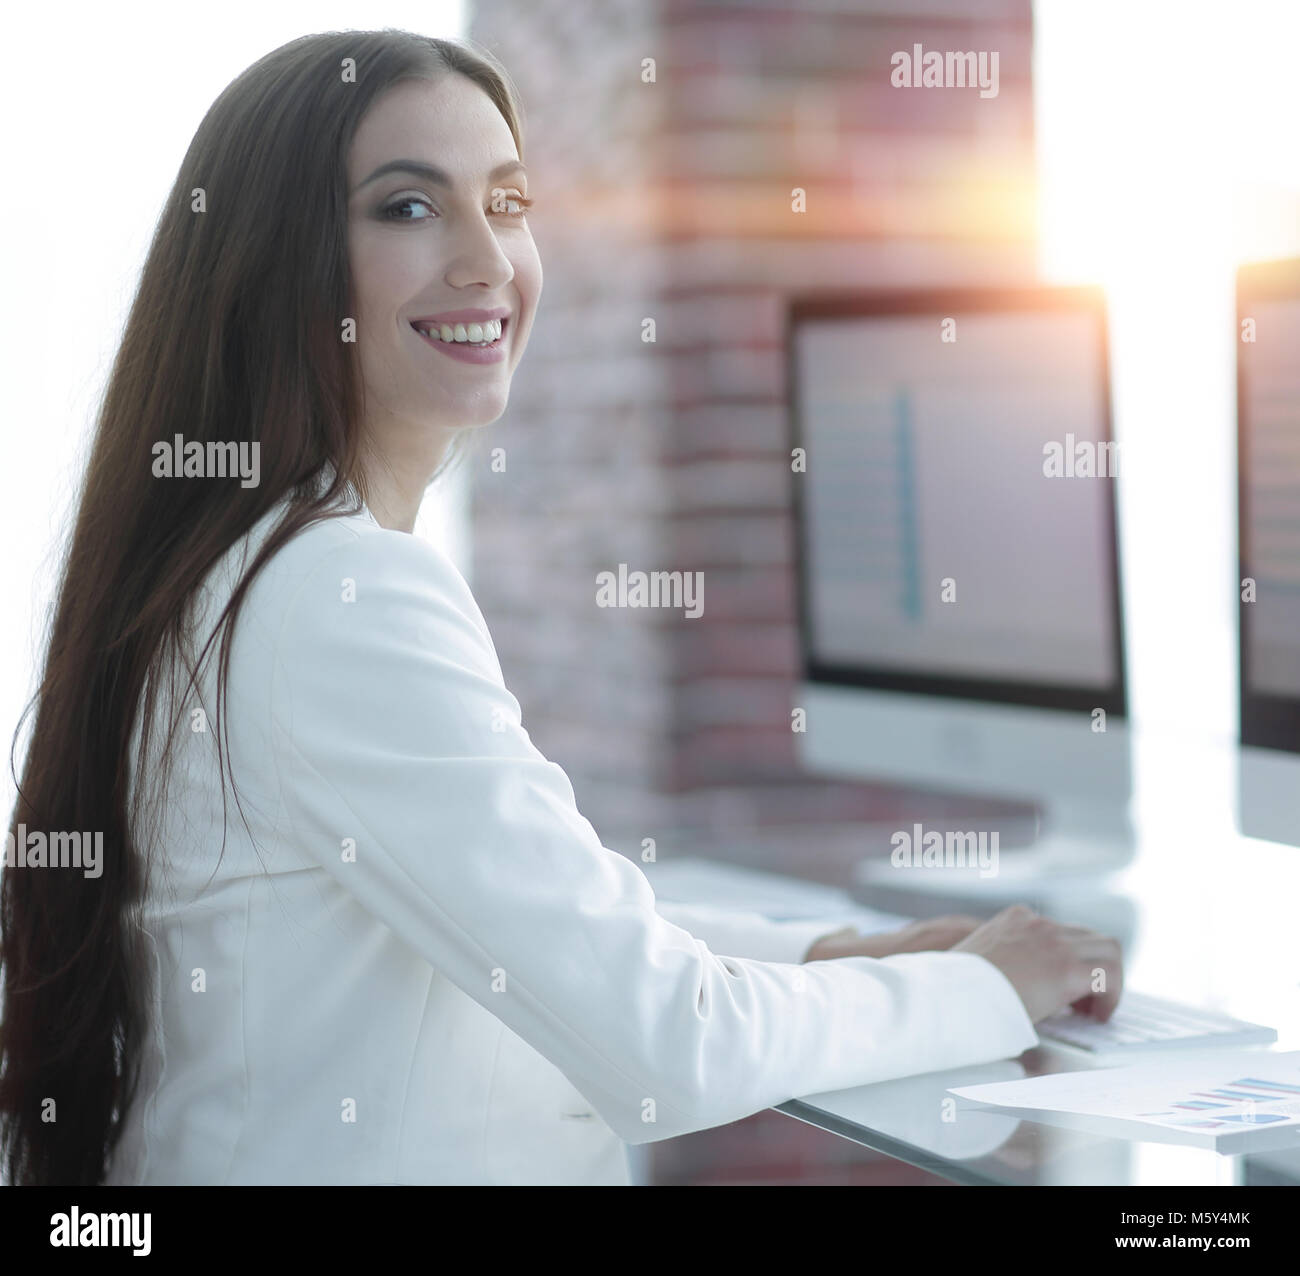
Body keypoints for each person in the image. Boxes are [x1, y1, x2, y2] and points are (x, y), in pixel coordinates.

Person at [0, 30, 1122, 1187]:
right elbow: (668, 1047)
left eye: (510, 200)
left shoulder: (239, 572)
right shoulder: (339, 597)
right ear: (277, 264)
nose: (489, 260)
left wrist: (833, 947)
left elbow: (531, 920)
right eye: (407, 209)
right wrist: (985, 990)